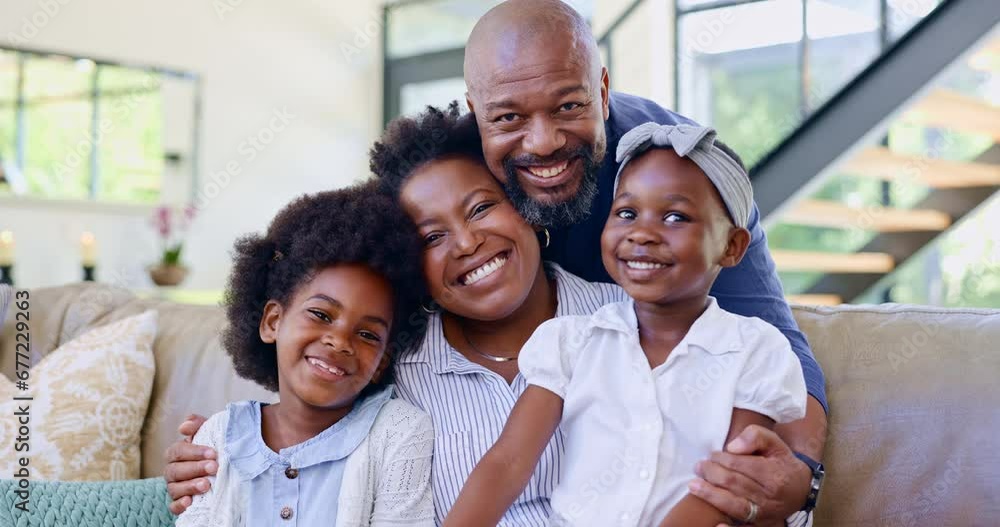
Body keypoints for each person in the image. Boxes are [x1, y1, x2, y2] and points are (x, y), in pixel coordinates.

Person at [167, 105, 818, 526]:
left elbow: (744, 469)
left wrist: (797, 487)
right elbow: (299, 416)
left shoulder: (641, 320)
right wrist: (209, 457)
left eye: (481, 208)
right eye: (431, 236)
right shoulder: (395, 359)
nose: (469, 243)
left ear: (527, 209)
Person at [444, 123, 807, 527]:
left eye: (675, 216)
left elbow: (725, 486)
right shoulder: (571, 342)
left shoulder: (755, 351)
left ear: (732, 246)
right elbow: (508, 462)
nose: (642, 233)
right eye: (627, 213)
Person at [174, 184, 436, 526]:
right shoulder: (219, 437)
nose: (340, 341)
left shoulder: (398, 432)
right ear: (272, 322)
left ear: (382, 362)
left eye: (368, 334)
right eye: (322, 315)